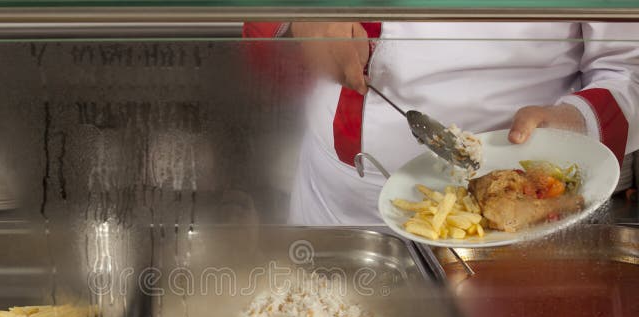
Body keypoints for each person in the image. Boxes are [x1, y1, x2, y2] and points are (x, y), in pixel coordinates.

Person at [243, 22, 639, 225]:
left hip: (511, 213)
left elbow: (626, 68)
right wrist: (303, 14)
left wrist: (572, 127)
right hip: (338, 204)